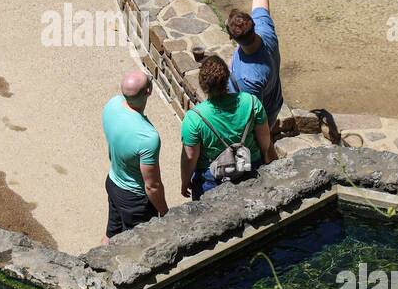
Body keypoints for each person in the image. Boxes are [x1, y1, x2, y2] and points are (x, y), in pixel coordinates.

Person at [180, 56, 276, 200]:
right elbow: (265, 141)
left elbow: (190, 158)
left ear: (202, 84)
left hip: (213, 178)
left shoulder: (194, 118)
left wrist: (185, 181)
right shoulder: (251, 102)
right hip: (249, 167)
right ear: (227, 79)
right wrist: (268, 162)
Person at [101, 71, 167, 239]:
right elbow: (152, 186)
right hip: (135, 200)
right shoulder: (148, 137)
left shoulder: (112, 104)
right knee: (141, 245)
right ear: (148, 91)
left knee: (111, 236)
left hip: (113, 183)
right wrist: (165, 212)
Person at [227, 0, 283, 124]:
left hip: (264, 117)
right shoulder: (264, 29)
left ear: (232, 38)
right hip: (273, 100)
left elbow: (254, 120)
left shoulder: (248, 77)